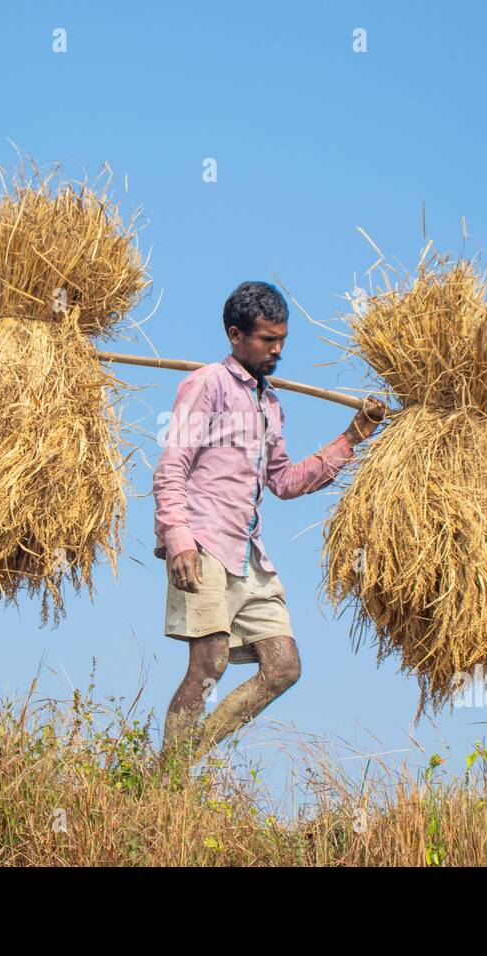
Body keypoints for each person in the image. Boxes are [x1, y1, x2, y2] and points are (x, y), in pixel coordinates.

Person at [150, 280, 386, 780]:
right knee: (207, 664)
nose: (277, 349)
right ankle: (166, 784)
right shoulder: (206, 384)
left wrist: (352, 438)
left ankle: (177, 766)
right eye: (266, 340)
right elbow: (172, 466)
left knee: (284, 668)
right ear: (236, 335)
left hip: (250, 554)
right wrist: (177, 537)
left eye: (282, 339)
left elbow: (282, 481)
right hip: (204, 542)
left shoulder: (271, 403)